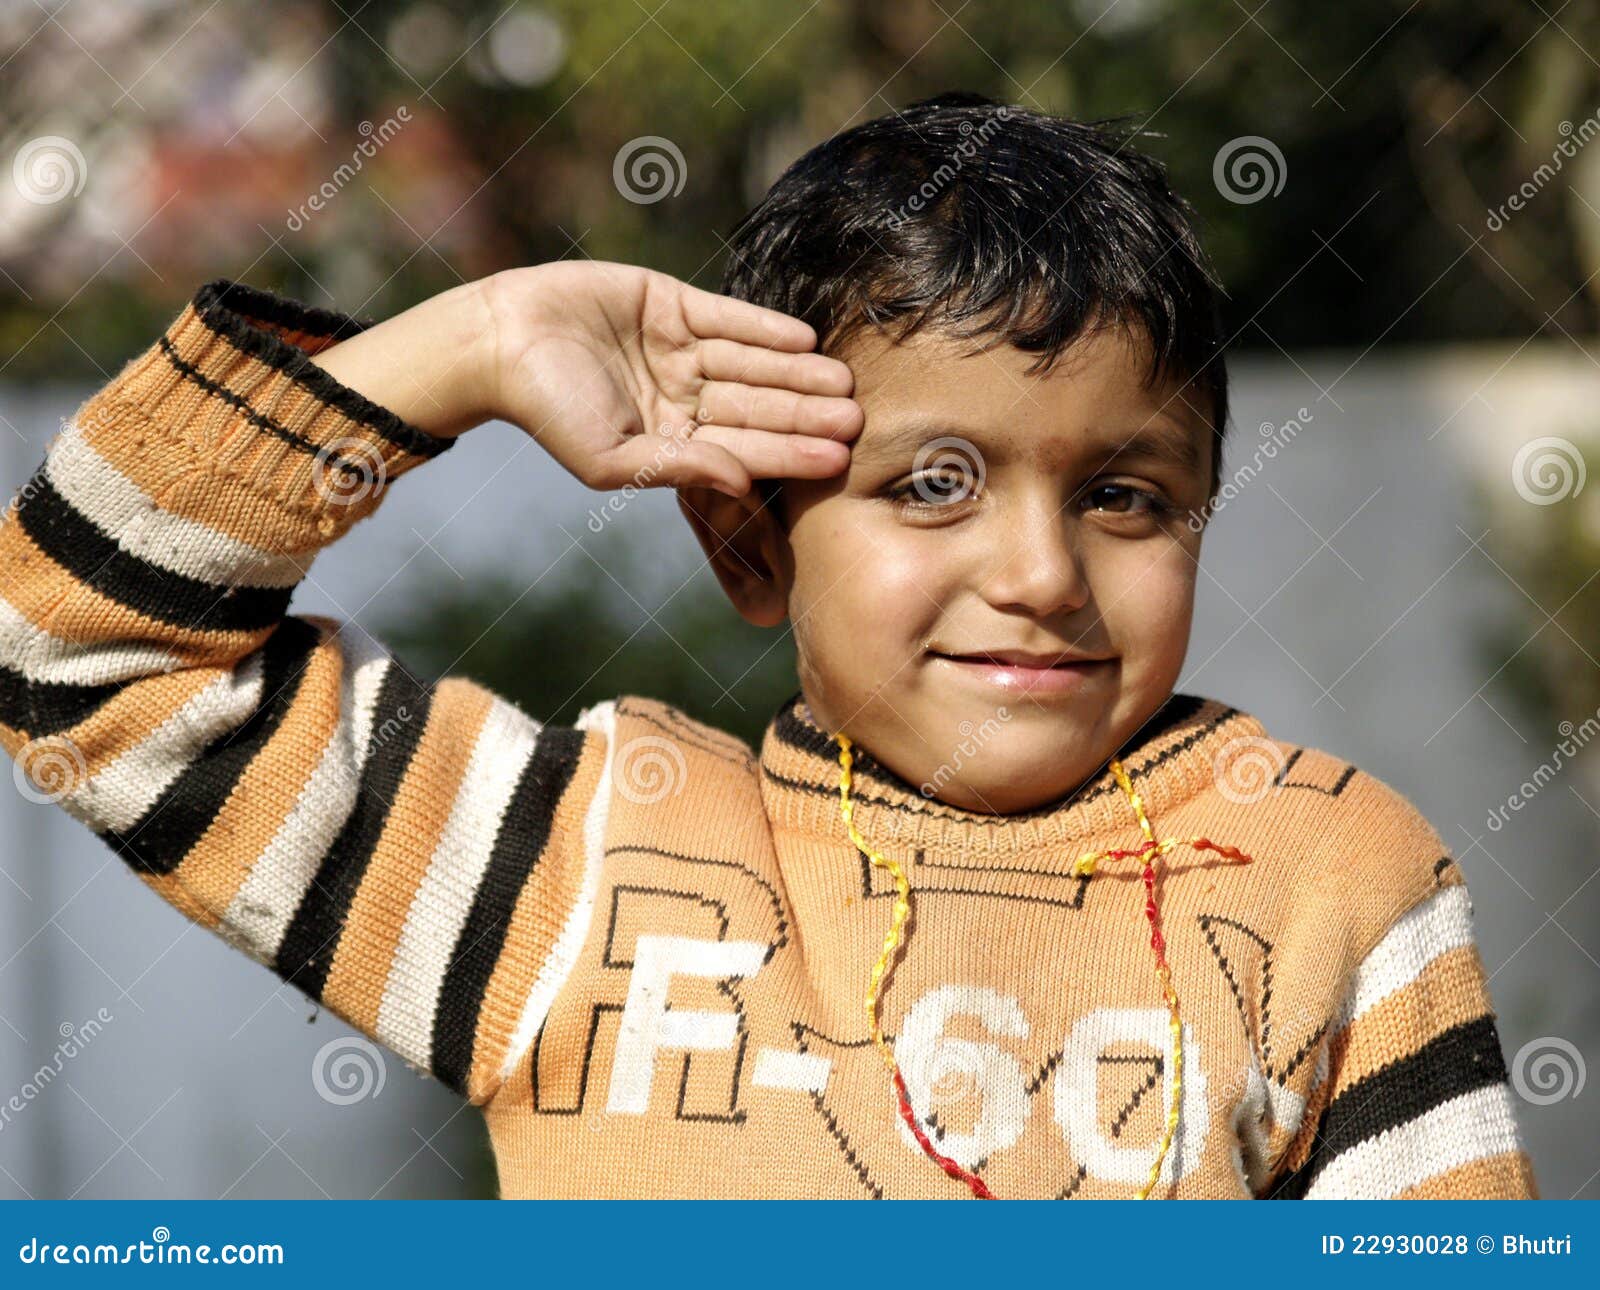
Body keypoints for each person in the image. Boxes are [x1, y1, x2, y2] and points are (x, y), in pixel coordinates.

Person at [0, 92, 1538, 1199]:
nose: (1041, 573)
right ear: (748, 540)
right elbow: (77, 654)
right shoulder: (573, 878)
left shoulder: (1325, 879)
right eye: (932, 484)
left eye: (1125, 495)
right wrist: (464, 346)